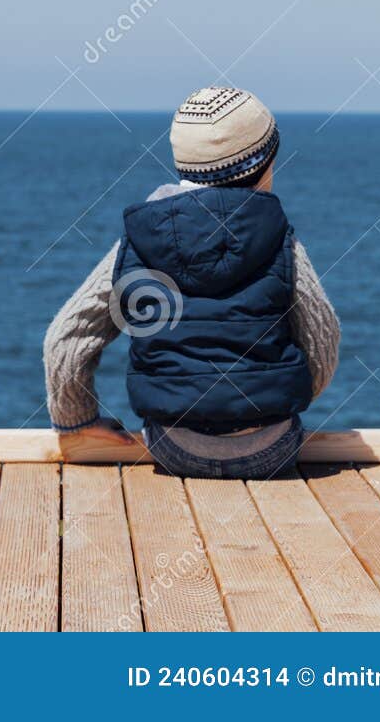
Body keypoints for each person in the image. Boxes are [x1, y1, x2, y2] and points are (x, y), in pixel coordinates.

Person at [43, 85, 340, 478]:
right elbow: (324, 339)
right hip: (272, 449)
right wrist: (278, 398)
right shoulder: (280, 238)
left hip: (174, 448)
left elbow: (65, 340)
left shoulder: (140, 241)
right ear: (264, 164)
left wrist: (78, 424)